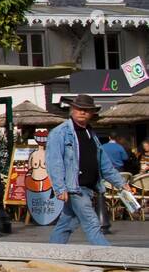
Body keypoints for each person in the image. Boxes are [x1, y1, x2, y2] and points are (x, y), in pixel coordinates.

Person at [47, 94, 126, 246]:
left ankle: (51, 253)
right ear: (71, 110)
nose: (82, 112)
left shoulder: (91, 133)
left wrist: (121, 183)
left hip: (88, 188)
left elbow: (104, 164)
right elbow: (54, 162)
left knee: (66, 224)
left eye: (87, 110)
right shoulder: (60, 133)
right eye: (79, 109)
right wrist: (59, 187)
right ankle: (109, 256)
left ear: (92, 113)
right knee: (92, 223)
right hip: (75, 188)